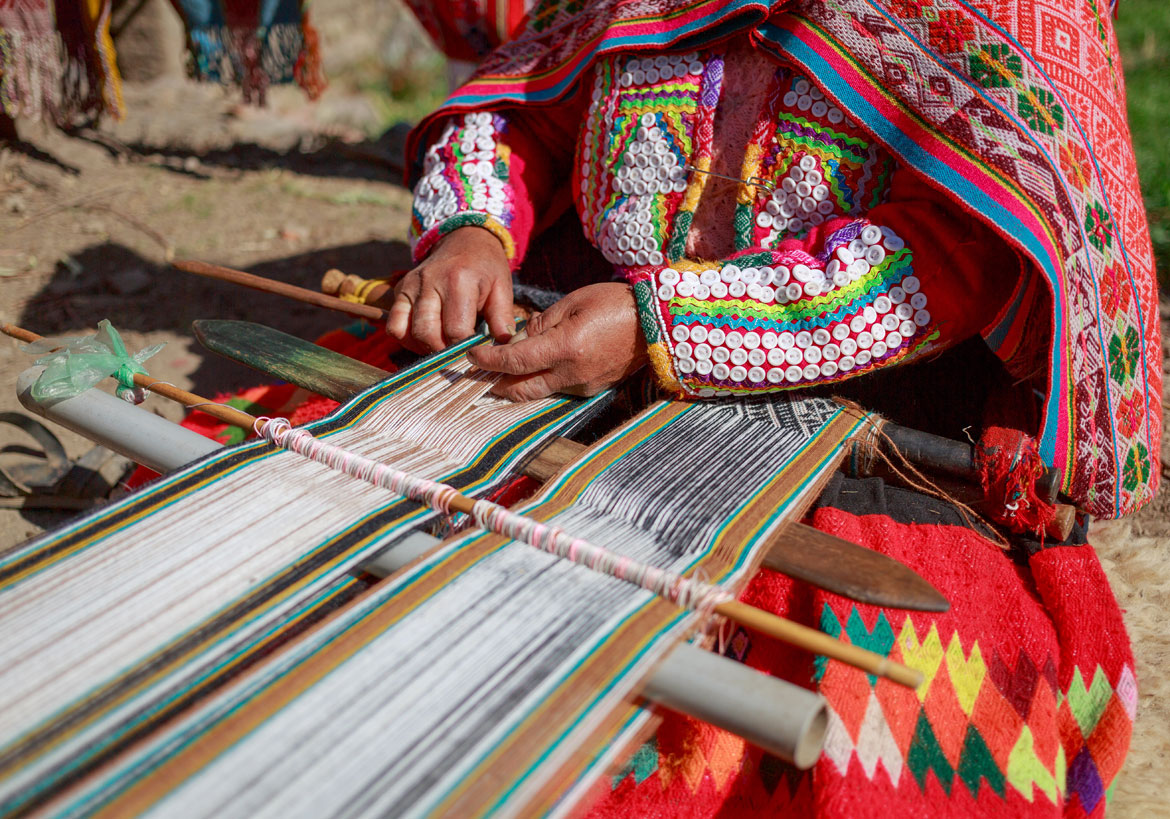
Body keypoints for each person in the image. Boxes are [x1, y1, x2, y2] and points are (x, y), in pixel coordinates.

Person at [388, 1, 1156, 815]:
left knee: (895, 732)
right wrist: (472, 230)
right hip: (594, 389)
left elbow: (961, 248)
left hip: (859, 425)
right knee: (360, 564)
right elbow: (526, 107)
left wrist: (665, 325)